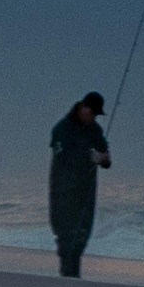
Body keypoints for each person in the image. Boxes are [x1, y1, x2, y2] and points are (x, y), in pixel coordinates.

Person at [48, 91, 112, 276]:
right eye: (91, 113)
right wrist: (88, 157)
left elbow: (106, 159)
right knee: (65, 235)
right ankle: (68, 277)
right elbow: (63, 156)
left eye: (96, 115)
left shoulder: (95, 130)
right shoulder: (62, 128)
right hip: (62, 189)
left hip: (86, 191)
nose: (93, 118)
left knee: (81, 236)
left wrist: (103, 158)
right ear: (83, 108)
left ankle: (71, 277)